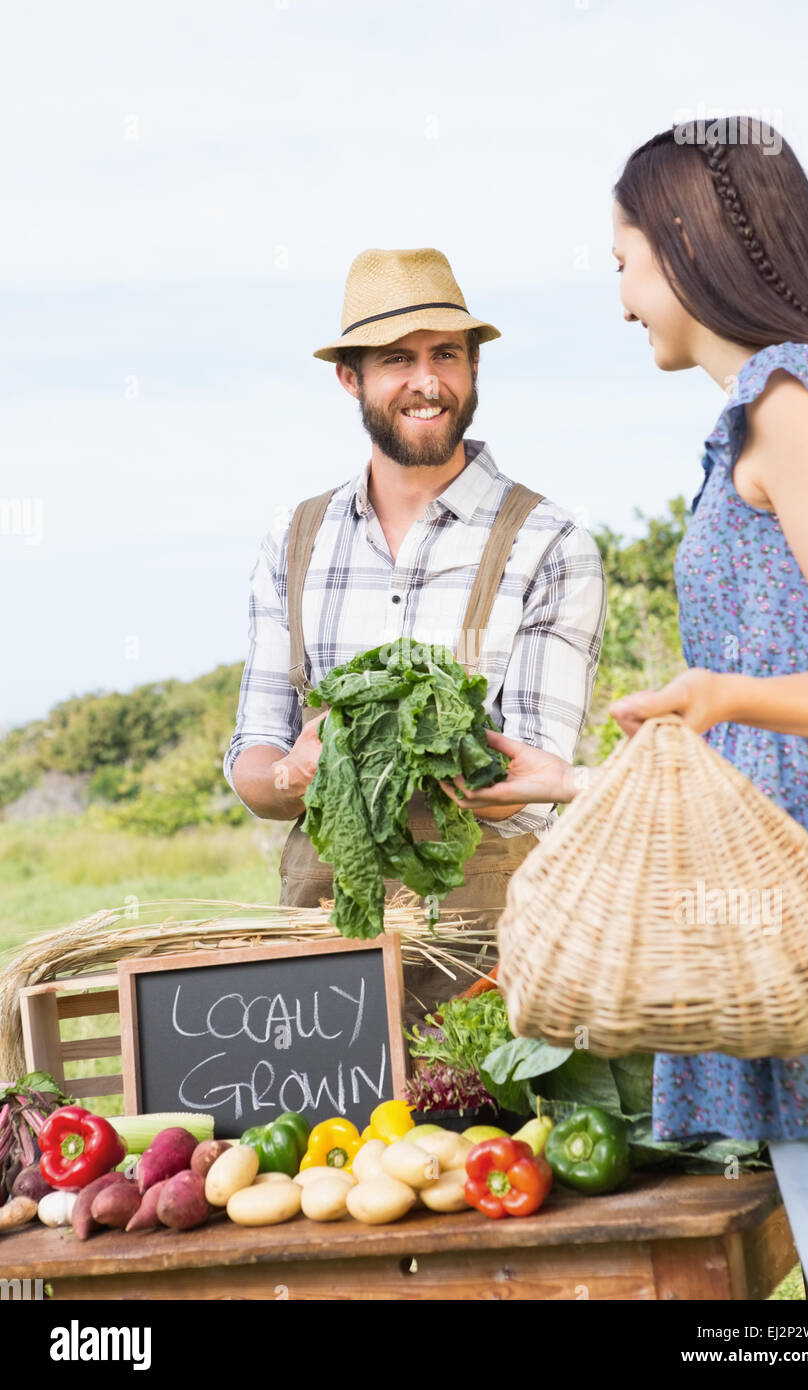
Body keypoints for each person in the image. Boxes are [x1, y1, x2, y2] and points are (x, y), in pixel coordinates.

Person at [441, 118, 808, 1299]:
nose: (620, 295)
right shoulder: (765, 415)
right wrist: (575, 781)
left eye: (622, 257)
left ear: (682, 249)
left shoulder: (796, 403)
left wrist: (718, 693)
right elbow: (765, 736)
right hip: (791, 909)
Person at [223, 246, 606, 1022]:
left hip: (483, 943)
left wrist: (420, 747)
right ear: (350, 378)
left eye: (447, 356)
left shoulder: (549, 544)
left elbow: (533, 790)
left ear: (472, 369)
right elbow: (252, 761)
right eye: (397, 359)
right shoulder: (295, 538)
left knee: (489, 1142)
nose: (427, 383)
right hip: (322, 938)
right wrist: (299, 771)